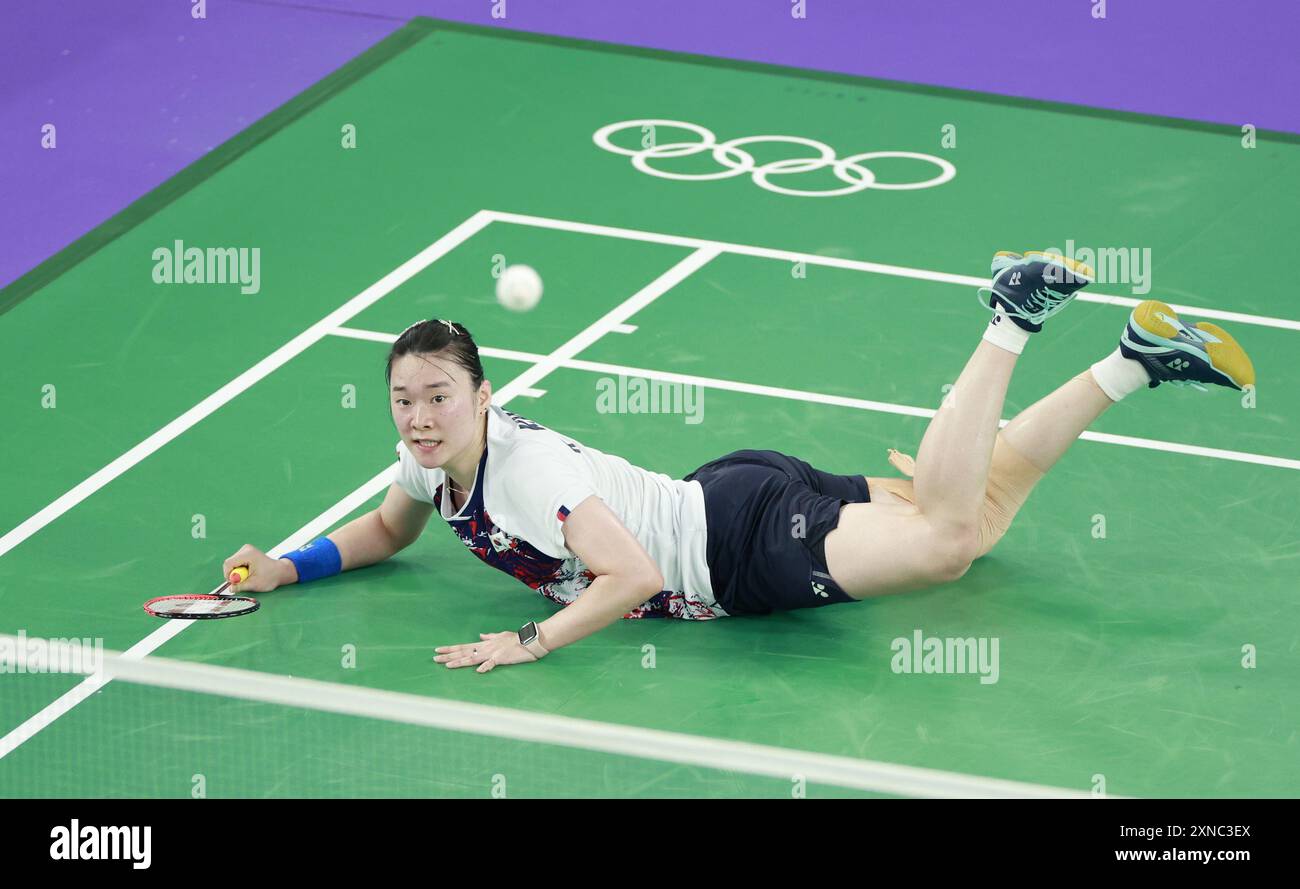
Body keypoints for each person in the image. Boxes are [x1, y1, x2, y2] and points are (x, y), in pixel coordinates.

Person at [223, 251, 1255, 673]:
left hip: (736, 548)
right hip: (730, 492)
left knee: (943, 543)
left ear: (482, 395)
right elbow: (387, 529)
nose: (417, 417)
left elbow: (629, 577)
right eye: (404, 400)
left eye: (437, 396)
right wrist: (288, 564)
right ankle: (1135, 362)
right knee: (975, 520)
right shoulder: (432, 461)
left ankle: (1009, 318)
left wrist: (529, 642)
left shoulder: (527, 473)